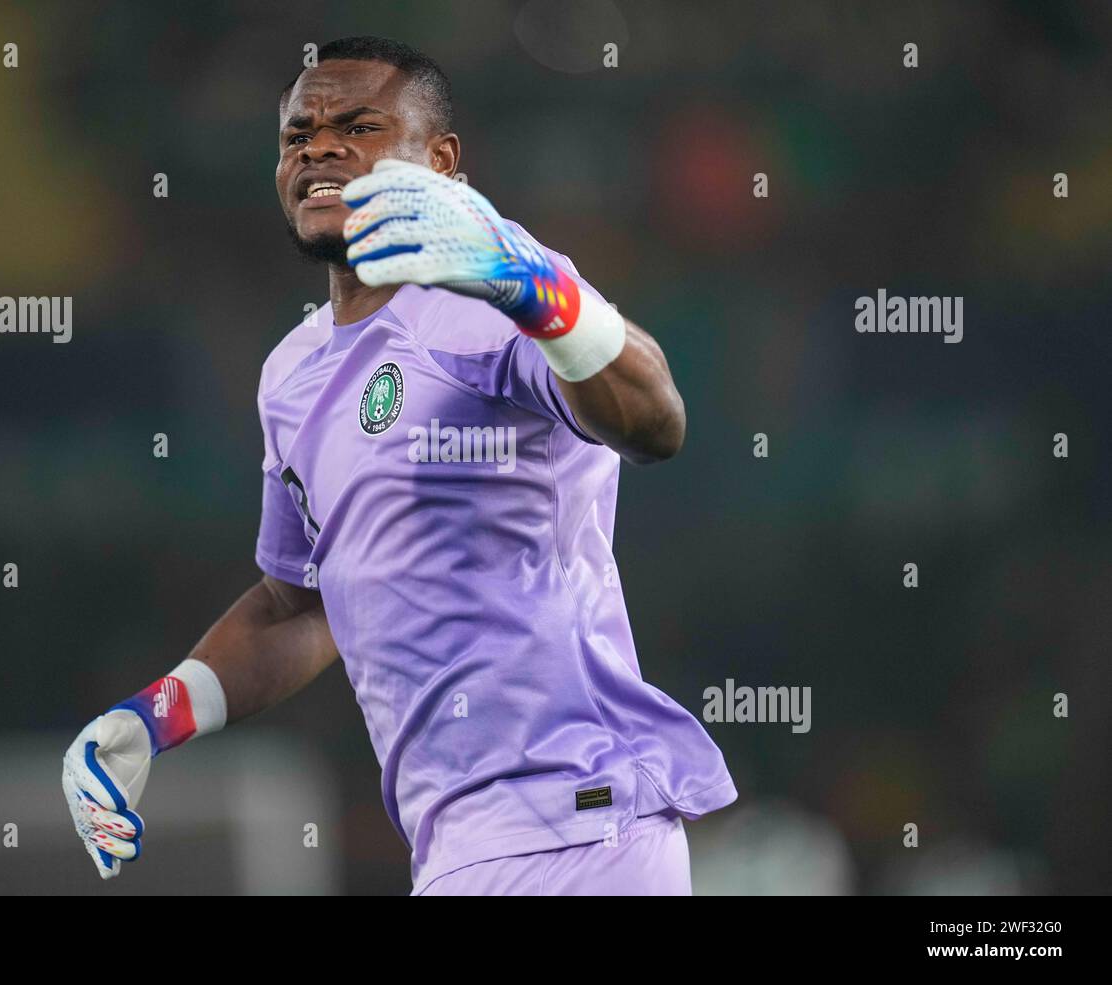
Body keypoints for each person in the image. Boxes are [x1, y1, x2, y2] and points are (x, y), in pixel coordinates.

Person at [62, 35, 736, 896]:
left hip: (578, 824)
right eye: (298, 135)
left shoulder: (498, 296)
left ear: (440, 161)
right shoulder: (291, 375)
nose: (319, 148)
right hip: (457, 848)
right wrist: (154, 714)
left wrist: (532, 286)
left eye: (358, 127)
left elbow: (657, 420)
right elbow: (302, 601)